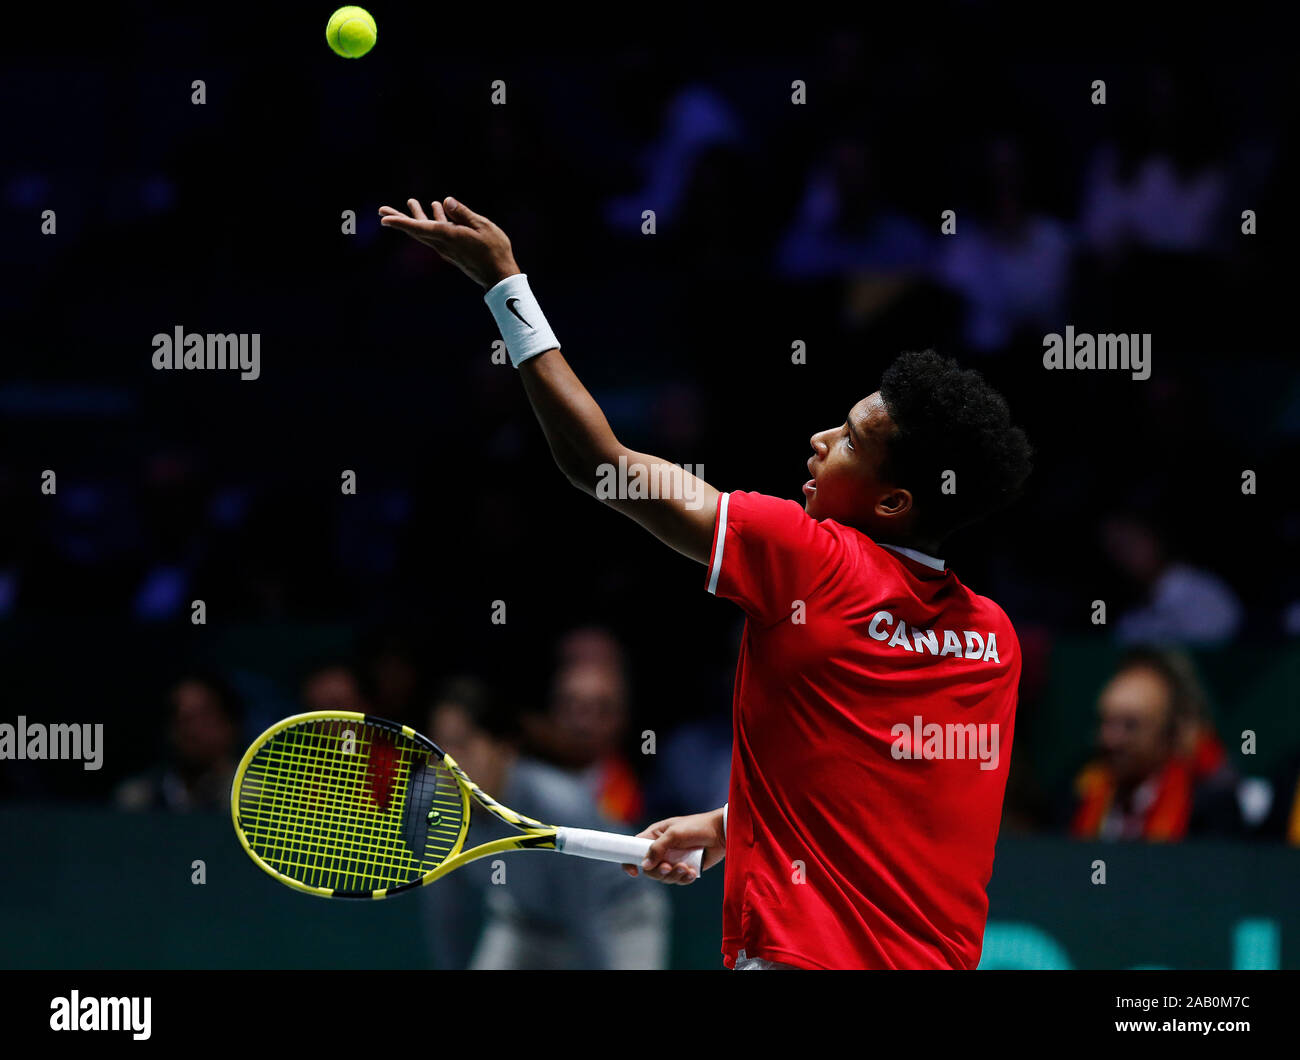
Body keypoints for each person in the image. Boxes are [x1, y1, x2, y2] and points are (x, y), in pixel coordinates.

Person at [378, 195, 1033, 970]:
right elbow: (887, 785)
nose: (821, 440)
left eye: (851, 439)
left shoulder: (807, 557)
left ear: (894, 502)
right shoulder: (992, 639)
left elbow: (603, 467)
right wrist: (732, 826)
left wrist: (504, 286)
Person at [421, 676, 668, 969]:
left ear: (504, 749)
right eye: (439, 745)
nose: (446, 761)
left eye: (462, 744)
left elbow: (585, 916)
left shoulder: (559, 807)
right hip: (524, 923)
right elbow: (448, 912)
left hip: (618, 920)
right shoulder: (432, 807)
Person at [1068, 647, 1243, 840]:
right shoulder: (1080, 794)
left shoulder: (1208, 806)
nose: (1110, 739)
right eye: (1105, 722)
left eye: (1130, 725)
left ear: (1170, 733)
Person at [115, 673, 241, 812]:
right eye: (183, 719)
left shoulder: (254, 796)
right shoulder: (137, 797)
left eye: (203, 717)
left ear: (229, 725)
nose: (192, 730)